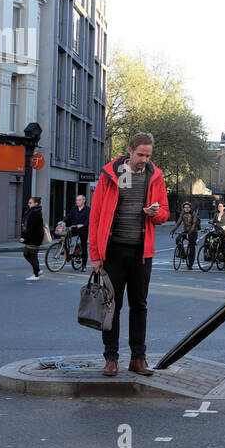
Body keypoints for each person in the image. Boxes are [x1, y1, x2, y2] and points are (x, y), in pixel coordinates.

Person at [89, 132, 170, 377]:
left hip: (141, 254)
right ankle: (111, 358)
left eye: (148, 155)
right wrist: (95, 254)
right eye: (140, 154)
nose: (144, 159)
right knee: (111, 306)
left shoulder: (153, 177)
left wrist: (154, 213)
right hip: (113, 252)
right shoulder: (113, 175)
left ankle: (138, 358)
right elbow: (96, 216)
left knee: (139, 306)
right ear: (130, 151)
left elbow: (165, 212)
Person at [19, 196, 46, 281]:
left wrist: (24, 237)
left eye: (30, 203)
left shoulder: (35, 213)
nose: (28, 204)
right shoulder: (31, 211)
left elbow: (30, 227)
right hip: (32, 237)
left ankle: (36, 275)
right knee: (26, 254)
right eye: (28, 203)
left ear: (36, 204)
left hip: (34, 237)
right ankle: (37, 270)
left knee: (33, 256)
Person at [65, 193, 90, 263]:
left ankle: (84, 265)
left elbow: (89, 219)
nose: (77, 201)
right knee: (66, 237)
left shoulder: (87, 209)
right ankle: (67, 254)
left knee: (84, 246)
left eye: (79, 200)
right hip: (74, 228)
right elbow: (69, 216)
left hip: (83, 230)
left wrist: (83, 225)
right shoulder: (74, 208)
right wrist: (63, 221)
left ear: (83, 201)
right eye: (77, 200)